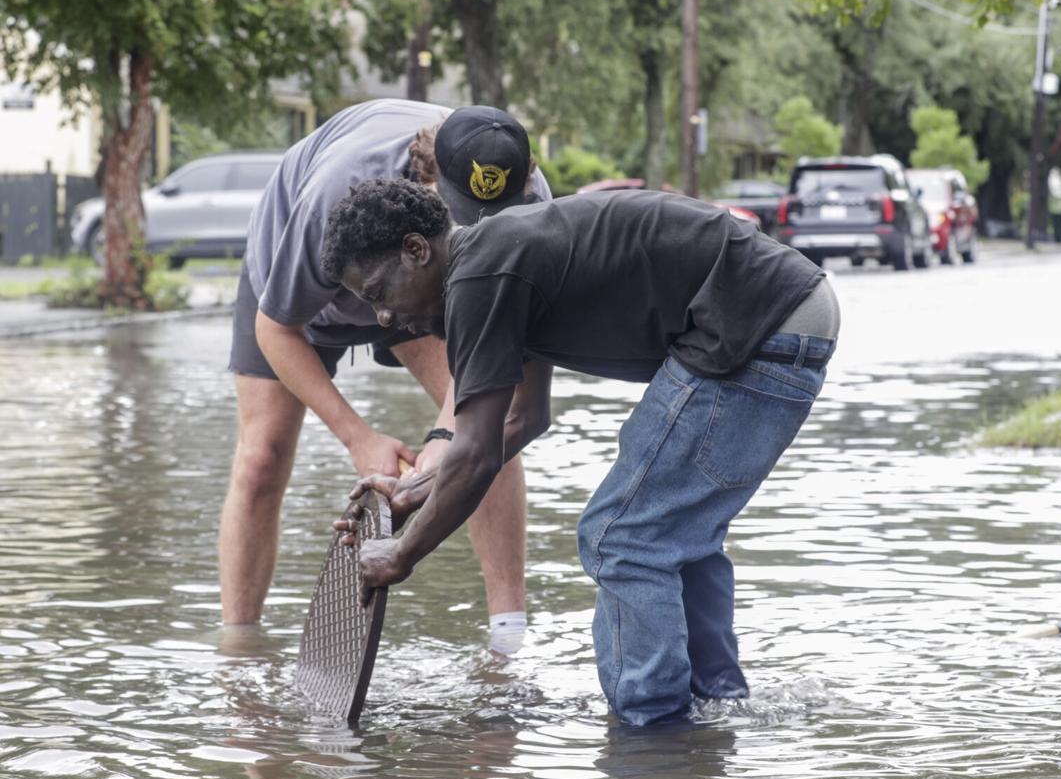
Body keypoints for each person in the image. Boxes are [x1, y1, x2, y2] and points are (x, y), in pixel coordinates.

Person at [322, 179, 840, 726]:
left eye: (379, 293)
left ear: (416, 249)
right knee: (670, 534)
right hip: (785, 314)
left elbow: (474, 457)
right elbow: (524, 417)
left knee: (623, 536)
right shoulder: (496, 259)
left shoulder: (479, 275)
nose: (381, 319)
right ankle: (715, 710)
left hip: (756, 325)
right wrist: (416, 491)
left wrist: (400, 556)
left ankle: (652, 734)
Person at [218, 100, 549, 654]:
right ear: (424, 183)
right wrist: (361, 439)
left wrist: (447, 441)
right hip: (306, 295)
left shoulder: (529, 196)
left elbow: (508, 379)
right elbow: (277, 330)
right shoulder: (337, 190)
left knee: (488, 432)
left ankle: (507, 643)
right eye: (461, 217)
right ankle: (238, 648)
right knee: (261, 458)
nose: (476, 232)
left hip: (431, 287)